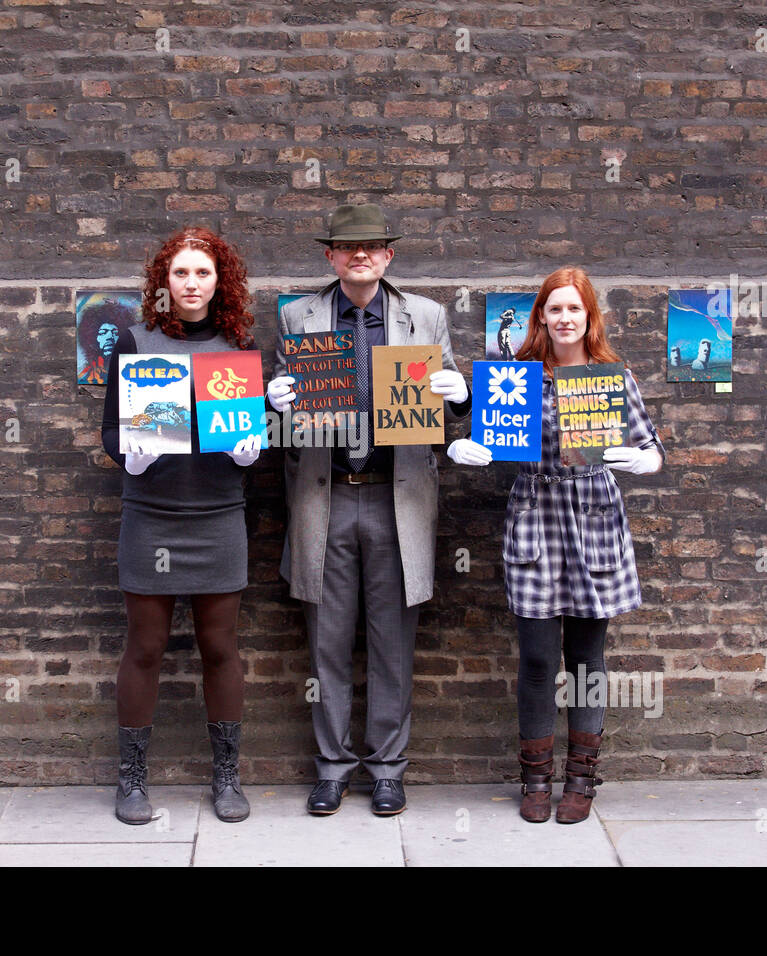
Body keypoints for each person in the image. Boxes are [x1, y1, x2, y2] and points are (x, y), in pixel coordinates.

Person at [266, 204, 471, 816]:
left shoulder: (426, 316)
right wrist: (275, 399)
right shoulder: (298, 316)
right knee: (326, 643)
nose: (361, 255)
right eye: (348, 247)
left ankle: (386, 768)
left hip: (395, 495)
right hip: (324, 494)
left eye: (373, 246)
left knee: (392, 643)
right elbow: (284, 408)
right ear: (329, 255)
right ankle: (332, 767)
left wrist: (458, 398)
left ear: (389, 256)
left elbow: (446, 402)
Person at [447, 267, 664, 824]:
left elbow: (651, 445)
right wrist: (465, 442)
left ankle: (582, 779)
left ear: (589, 316)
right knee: (539, 657)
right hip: (537, 514)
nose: (564, 318)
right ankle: (536, 778)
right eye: (554, 308)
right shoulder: (518, 377)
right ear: (540, 315)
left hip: (593, 514)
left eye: (575, 309)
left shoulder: (612, 378)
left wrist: (645, 459)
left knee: (587, 659)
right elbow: (484, 429)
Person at [101, 226, 263, 825]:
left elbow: (248, 432)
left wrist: (252, 448)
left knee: (220, 646)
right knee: (144, 647)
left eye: (202, 273)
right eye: (180, 273)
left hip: (219, 513)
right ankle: (132, 781)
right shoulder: (138, 342)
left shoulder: (236, 346)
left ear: (220, 281)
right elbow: (111, 430)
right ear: (163, 283)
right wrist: (130, 455)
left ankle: (226, 777)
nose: (191, 283)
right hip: (151, 514)